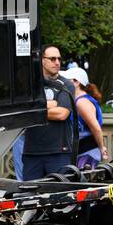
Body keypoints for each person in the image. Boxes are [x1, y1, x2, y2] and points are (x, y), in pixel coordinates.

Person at [21, 45, 76, 180]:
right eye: (52, 59)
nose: (57, 62)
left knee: (61, 195)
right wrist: (51, 104)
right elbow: (22, 111)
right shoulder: (29, 85)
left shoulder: (66, 84)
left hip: (59, 151)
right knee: (29, 195)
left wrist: (34, 109)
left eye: (59, 59)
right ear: (42, 60)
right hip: (32, 152)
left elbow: (62, 114)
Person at [63, 66, 107, 169]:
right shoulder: (78, 100)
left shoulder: (82, 102)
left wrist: (102, 147)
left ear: (76, 82)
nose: (63, 83)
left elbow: (95, 128)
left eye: (66, 80)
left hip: (87, 154)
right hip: (82, 152)